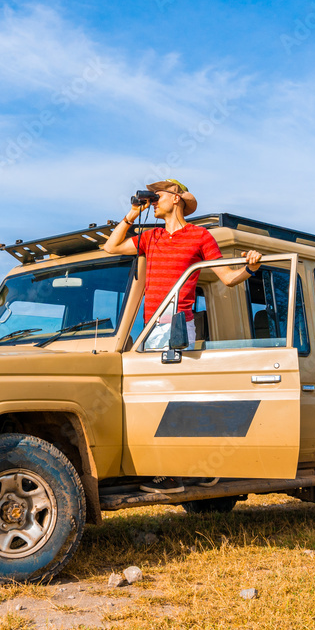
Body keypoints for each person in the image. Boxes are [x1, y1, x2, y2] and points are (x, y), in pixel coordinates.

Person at [103, 178, 262, 494]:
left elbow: (228, 279)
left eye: (158, 195)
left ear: (176, 199)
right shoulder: (151, 237)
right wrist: (132, 214)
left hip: (176, 326)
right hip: (151, 329)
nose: (153, 199)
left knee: (171, 399)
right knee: (154, 398)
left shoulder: (200, 236)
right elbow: (111, 247)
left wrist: (251, 268)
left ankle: (177, 473)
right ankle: (192, 469)